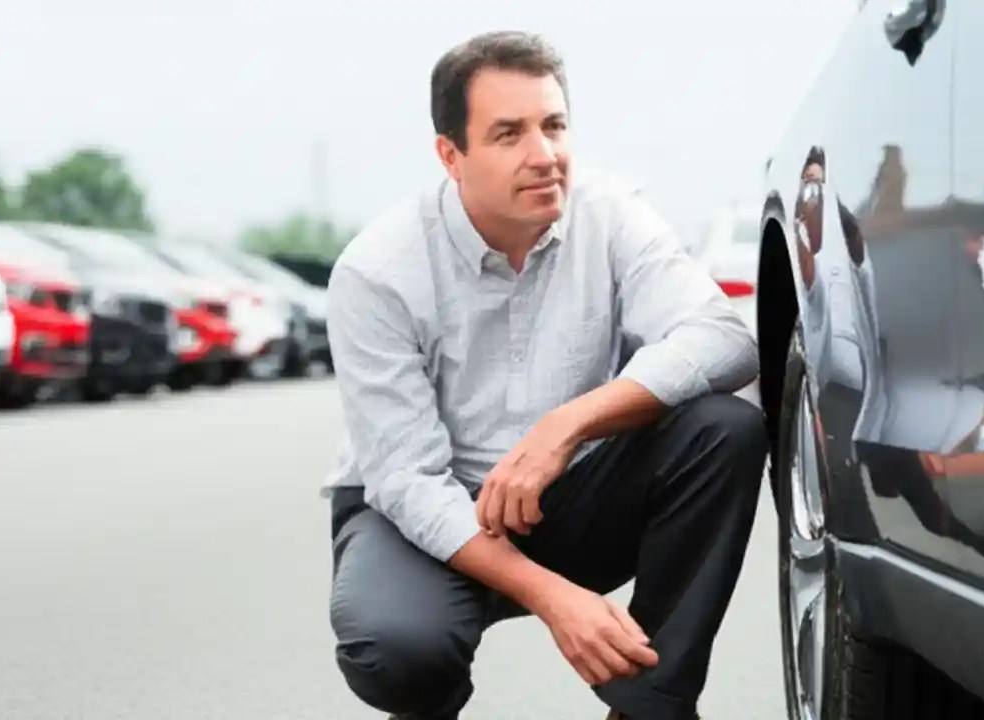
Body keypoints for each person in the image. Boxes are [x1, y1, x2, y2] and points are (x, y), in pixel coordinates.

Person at [324, 30, 768, 720]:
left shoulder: (611, 213)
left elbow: (722, 338)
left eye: (553, 126)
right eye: (508, 134)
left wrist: (567, 424)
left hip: (574, 493)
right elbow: (405, 480)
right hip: (424, 519)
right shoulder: (378, 271)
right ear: (452, 155)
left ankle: (647, 708)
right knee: (398, 650)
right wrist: (552, 596)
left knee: (724, 428)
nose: (544, 156)